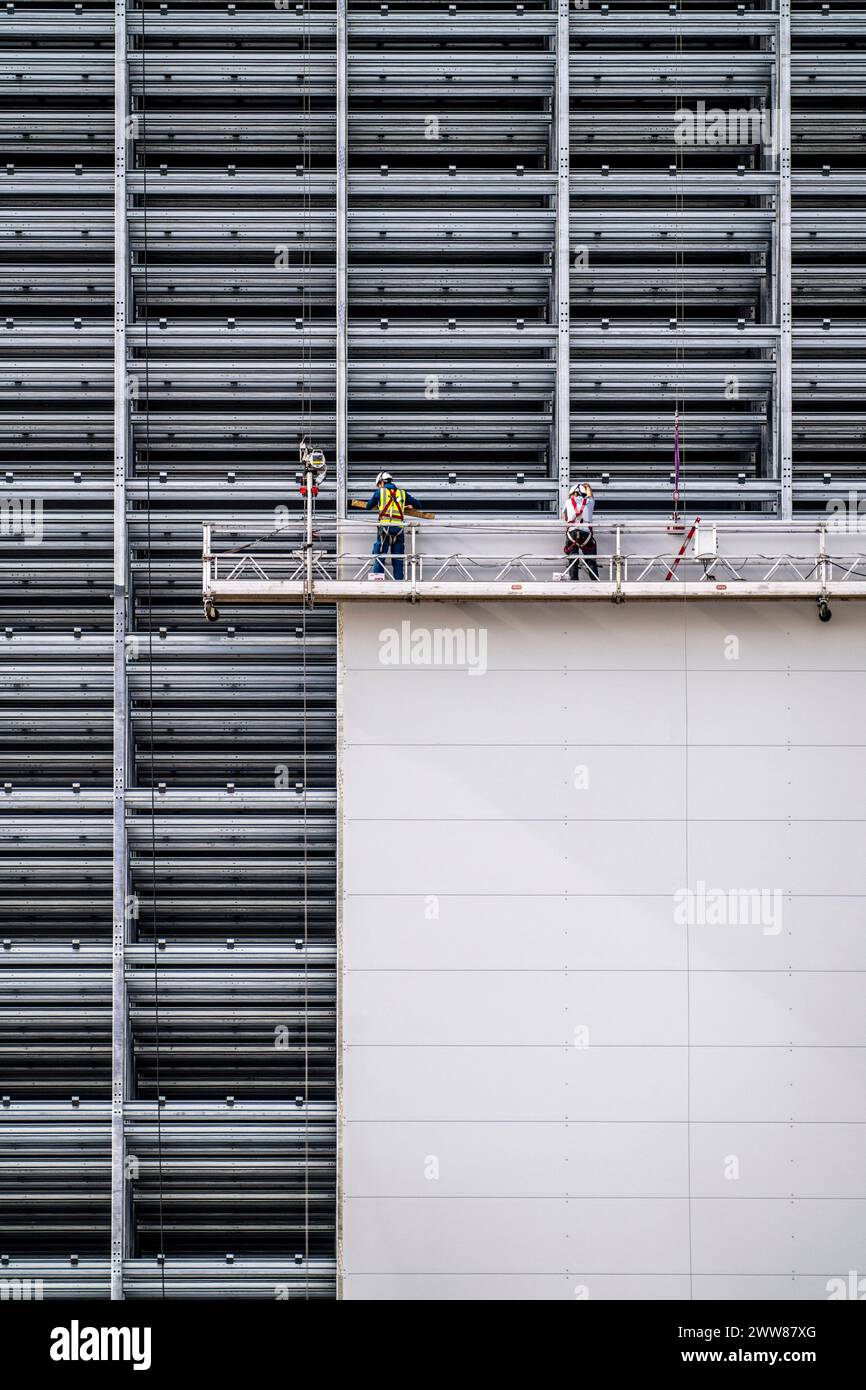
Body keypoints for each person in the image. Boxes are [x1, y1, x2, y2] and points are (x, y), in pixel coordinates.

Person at [364, 470, 424, 580]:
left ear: (382, 482)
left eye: (379, 485)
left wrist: (379, 504)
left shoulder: (380, 493)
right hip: (399, 531)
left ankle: (378, 583)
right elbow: (418, 505)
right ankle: (399, 583)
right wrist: (406, 506)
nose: (379, 487)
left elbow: (367, 506)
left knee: (379, 557)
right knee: (398, 559)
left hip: (385, 530)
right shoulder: (402, 494)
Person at [563, 482, 598, 580]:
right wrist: (588, 487)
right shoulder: (590, 502)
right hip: (586, 534)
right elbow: (590, 495)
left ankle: (574, 581)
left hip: (572, 534)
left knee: (573, 559)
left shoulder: (568, 502)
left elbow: (565, 518)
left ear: (574, 493)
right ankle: (595, 581)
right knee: (590, 560)